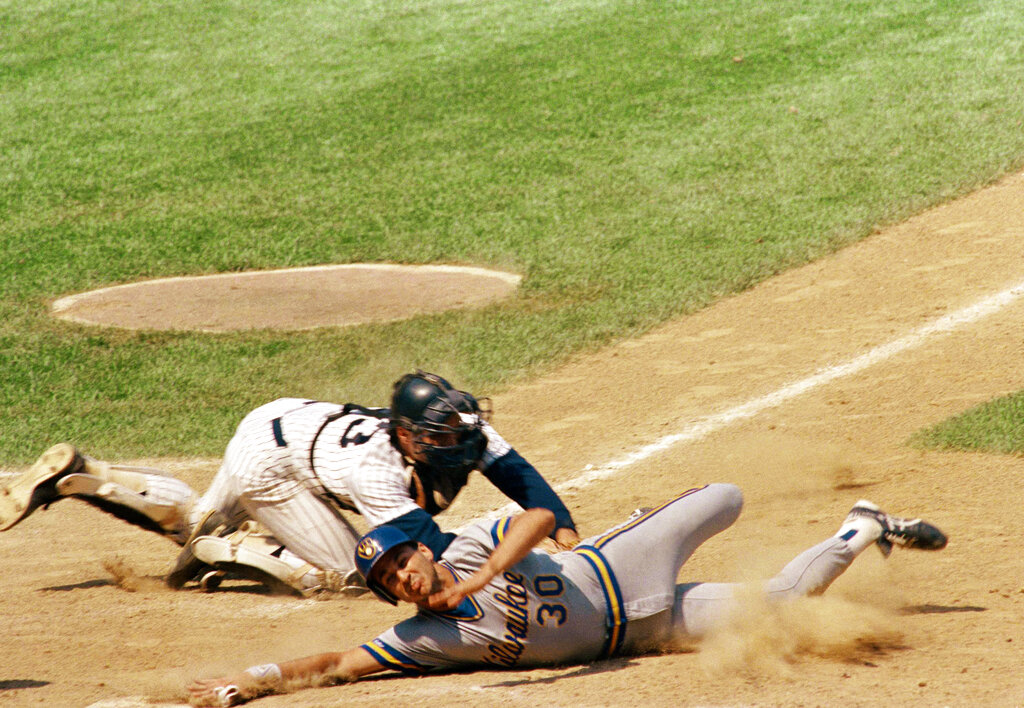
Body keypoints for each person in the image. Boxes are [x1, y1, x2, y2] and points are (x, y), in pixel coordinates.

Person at [187, 484, 947, 706]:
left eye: (401, 565)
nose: (404, 580)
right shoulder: (423, 640)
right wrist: (253, 682)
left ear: (420, 550)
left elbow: (541, 518)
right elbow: (341, 659)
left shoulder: (470, 546)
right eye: (390, 584)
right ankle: (864, 528)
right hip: (644, 631)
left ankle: (656, 516)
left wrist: (486, 574)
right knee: (782, 603)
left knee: (728, 496)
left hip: (622, 563)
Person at [0, 371, 580, 596]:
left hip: (275, 422)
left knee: (198, 513)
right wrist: (508, 567)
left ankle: (83, 475)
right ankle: (234, 547)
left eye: (455, 426)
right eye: (437, 433)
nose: (454, 440)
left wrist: (565, 528)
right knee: (359, 581)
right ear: (405, 435)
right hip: (272, 465)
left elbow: (518, 474)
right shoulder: (377, 471)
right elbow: (433, 551)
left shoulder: (462, 430)